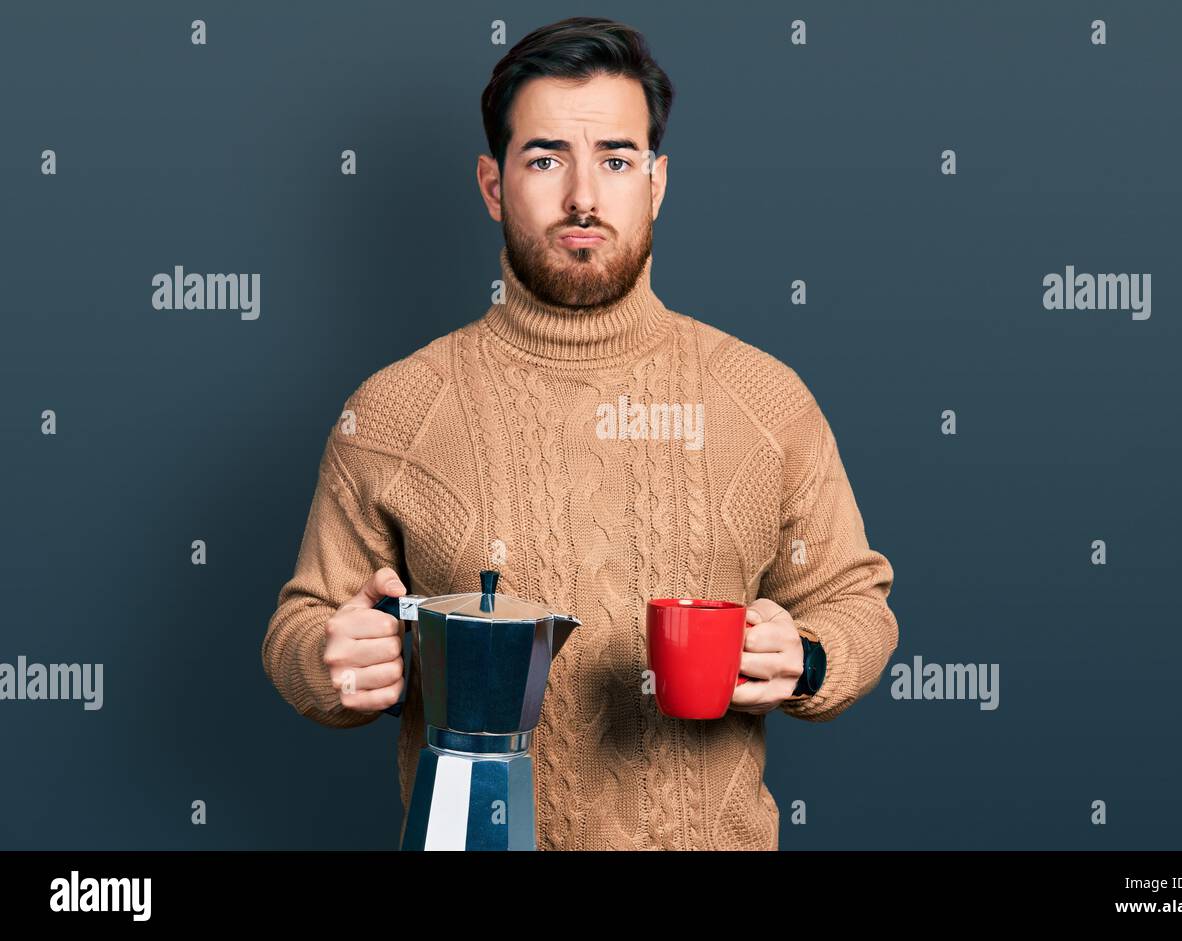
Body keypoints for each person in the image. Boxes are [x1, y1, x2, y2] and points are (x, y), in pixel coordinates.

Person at [262, 15, 899, 850]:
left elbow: (857, 600)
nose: (584, 198)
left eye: (617, 159)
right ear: (493, 185)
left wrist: (807, 659)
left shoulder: (765, 399)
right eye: (545, 157)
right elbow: (301, 622)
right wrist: (326, 658)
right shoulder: (391, 412)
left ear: (658, 182)